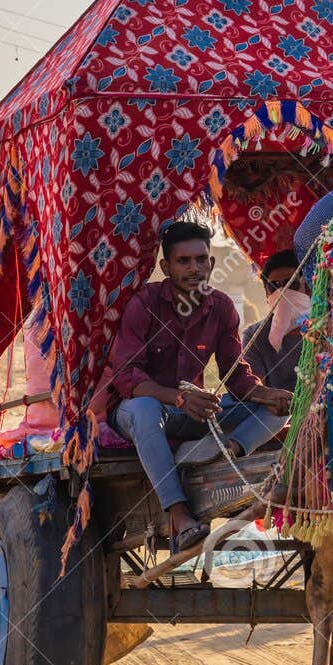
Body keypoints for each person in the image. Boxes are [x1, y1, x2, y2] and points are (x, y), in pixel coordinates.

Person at [108, 220, 292, 553]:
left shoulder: (221, 308)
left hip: (192, 415)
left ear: (211, 263)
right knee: (146, 409)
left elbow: (236, 377)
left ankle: (227, 451)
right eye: (184, 261)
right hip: (141, 412)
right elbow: (126, 377)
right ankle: (179, 515)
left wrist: (267, 394)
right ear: (166, 267)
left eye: (200, 260)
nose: (194, 269)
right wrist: (179, 398)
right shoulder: (144, 303)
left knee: (280, 410)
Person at [242, 249, 309, 399]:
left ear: (308, 288)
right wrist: (270, 400)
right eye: (274, 286)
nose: (283, 292)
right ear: (267, 295)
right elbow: (255, 389)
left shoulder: (329, 328)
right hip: (278, 416)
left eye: (291, 284)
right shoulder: (255, 336)